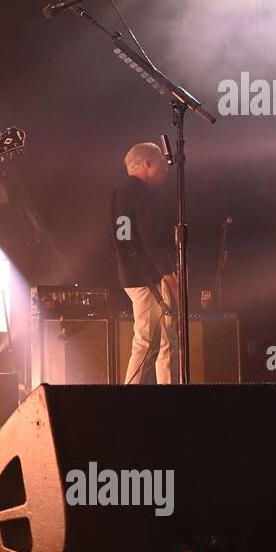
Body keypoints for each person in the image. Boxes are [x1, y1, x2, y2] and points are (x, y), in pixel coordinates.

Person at [111, 142, 178, 384]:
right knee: (158, 341)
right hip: (148, 277)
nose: (166, 169)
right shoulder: (137, 191)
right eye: (162, 163)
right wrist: (168, 274)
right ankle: (140, 401)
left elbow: (121, 239)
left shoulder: (120, 193)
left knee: (151, 341)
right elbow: (148, 235)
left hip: (133, 275)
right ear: (147, 162)